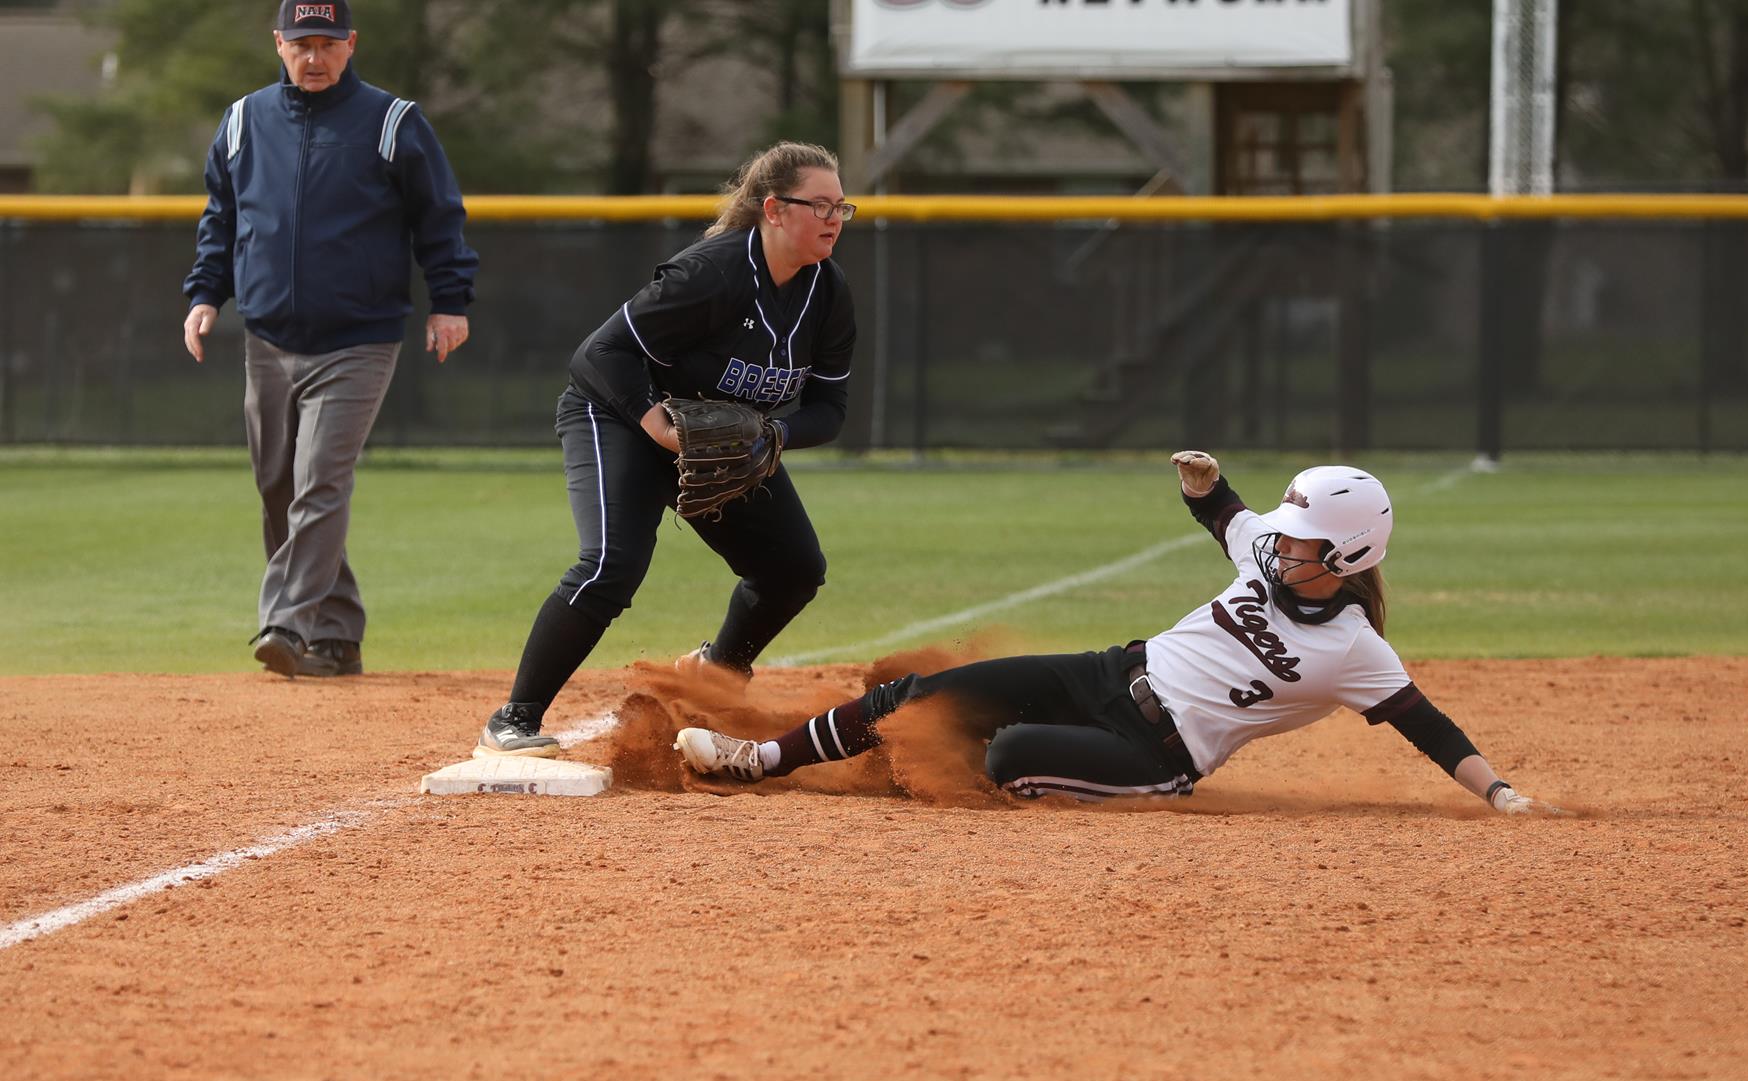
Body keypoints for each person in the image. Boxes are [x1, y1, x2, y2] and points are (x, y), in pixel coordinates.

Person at [675, 452, 1569, 815]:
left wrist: (1500, 795)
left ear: (1348, 554)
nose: (1281, 545)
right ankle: (761, 761)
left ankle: (916, 768)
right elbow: (1228, 516)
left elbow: (1426, 724)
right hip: (1108, 673)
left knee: (1007, 757)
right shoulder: (1268, 550)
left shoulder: (1354, 652)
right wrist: (1202, 486)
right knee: (922, 697)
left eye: (1302, 540)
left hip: (1158, 752)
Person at [476, 141, 859, 759]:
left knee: (793, 569)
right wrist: (657, 427)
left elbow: (829, 409)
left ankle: (714, 673)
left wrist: (774, 435)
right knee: (612, 565)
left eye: (841, 206)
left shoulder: (828, 293)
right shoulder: (712, 273)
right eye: (819, 205)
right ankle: (513, 719)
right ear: (773, 210)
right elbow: (600, 354)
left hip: (717, 444)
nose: (834, 218)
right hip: (617, 416)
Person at [182, 0, 478, 679]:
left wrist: (450, 301)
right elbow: (221, 218)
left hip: (358, 338)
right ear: (278, 45)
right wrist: (204, 295)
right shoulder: (243, 121)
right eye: (301, 44)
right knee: (278, 486)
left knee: (320, 480)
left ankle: (287, 621)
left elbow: (439, 215)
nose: (314, 57)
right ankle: (338, 636)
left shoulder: (392, 121)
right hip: (267, 337)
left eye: (327, 43)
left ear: (351, 44)